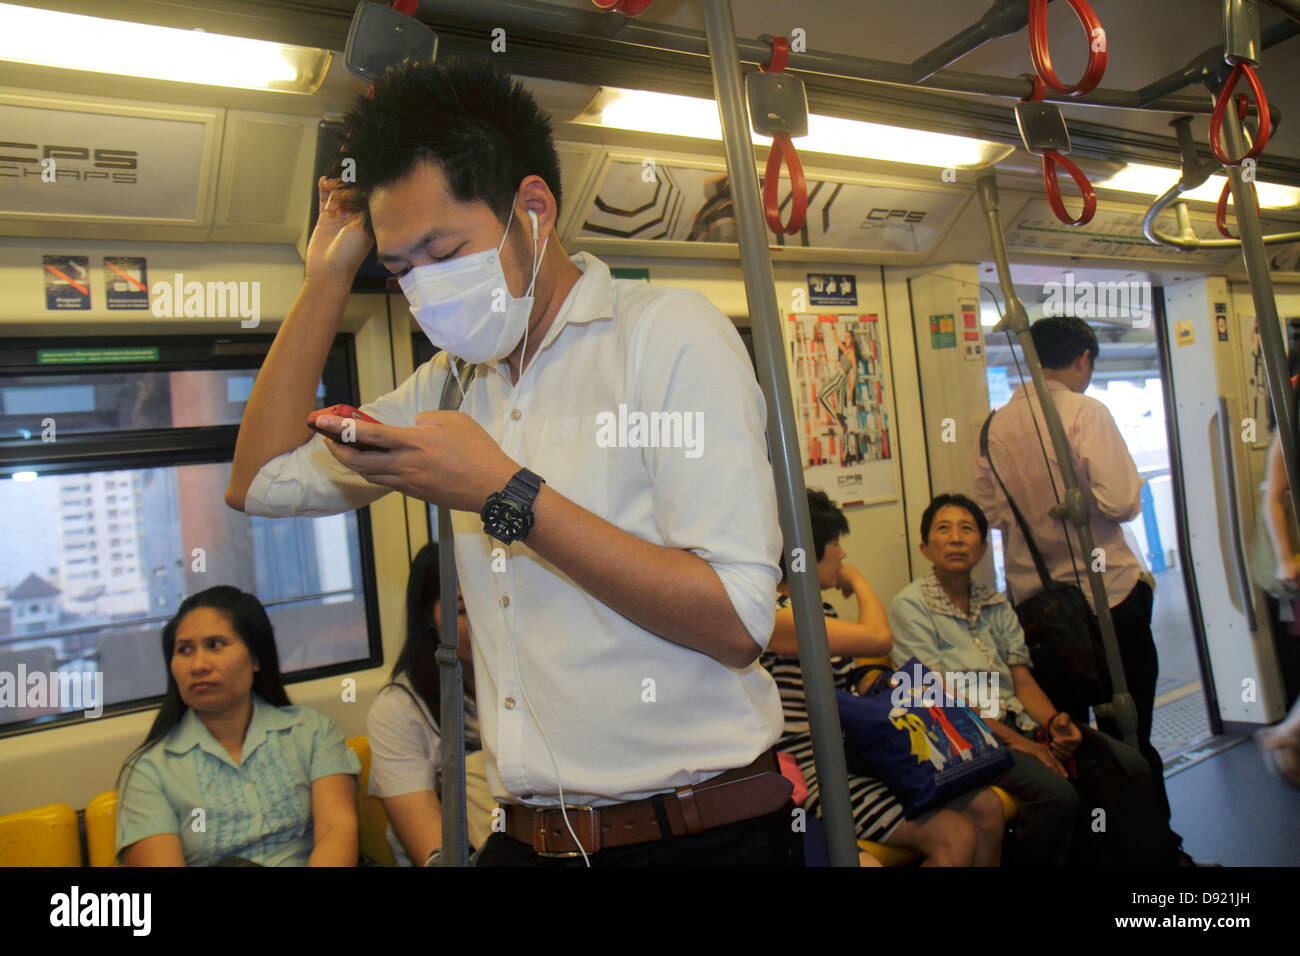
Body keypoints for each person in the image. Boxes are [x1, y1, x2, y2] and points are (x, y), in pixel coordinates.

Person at [225, 59, 795, 866]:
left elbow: (738, 623)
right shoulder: (451, 384)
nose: (424, 292)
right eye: (400, 271)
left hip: (690, 832)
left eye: (442, 250)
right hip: (531, 834)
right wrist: (325, 278)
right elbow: (261, 482)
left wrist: (503, 492)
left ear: (532, 210)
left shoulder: (665, 335)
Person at [889, 494, 1178, 866]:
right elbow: (940, 701)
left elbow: (1022, 682)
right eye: (943, 529)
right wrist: (1021, 744)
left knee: (1127, 763)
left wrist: (1055, 722)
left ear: (980, 547)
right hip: (962, 739)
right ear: (925, 547)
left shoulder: (994, 602)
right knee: (1057, 794)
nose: (956, 538)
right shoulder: (911, 606)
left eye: (967, 529)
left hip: (1015, 724)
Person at [971, 315, 1177, 834]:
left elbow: (991, 514)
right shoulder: (1087, 411)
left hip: (1038, 610)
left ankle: (1095, 842)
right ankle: (1151, 844)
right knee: (1128, 735)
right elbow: (1123, 500)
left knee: (1068, 735)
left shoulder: (992, 426)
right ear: (1083, 360)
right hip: (1109, 600)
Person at [763, 489, 1005, 866]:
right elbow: (879, 637)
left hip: (850, 756)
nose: (842, 555)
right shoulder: (778, 615)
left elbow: (855, 679)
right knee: (954, 838)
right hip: (811, 770)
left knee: (988, 808)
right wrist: (857, 581)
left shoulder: (815, 610)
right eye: (834, 543)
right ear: (807, 552)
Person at [115, 586, 360, 866]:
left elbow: (336, 831)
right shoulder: (150, 772)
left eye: (215, 645)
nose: (198, 665)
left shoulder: (311, 732)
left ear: (256, 658)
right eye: (184, 650)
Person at [366, 542, 499, 865]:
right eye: (464, 610)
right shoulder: (399, 710)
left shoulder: (528, 686)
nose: (486, 621)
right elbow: (434, 850)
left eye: (496, 603)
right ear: (429, 617)